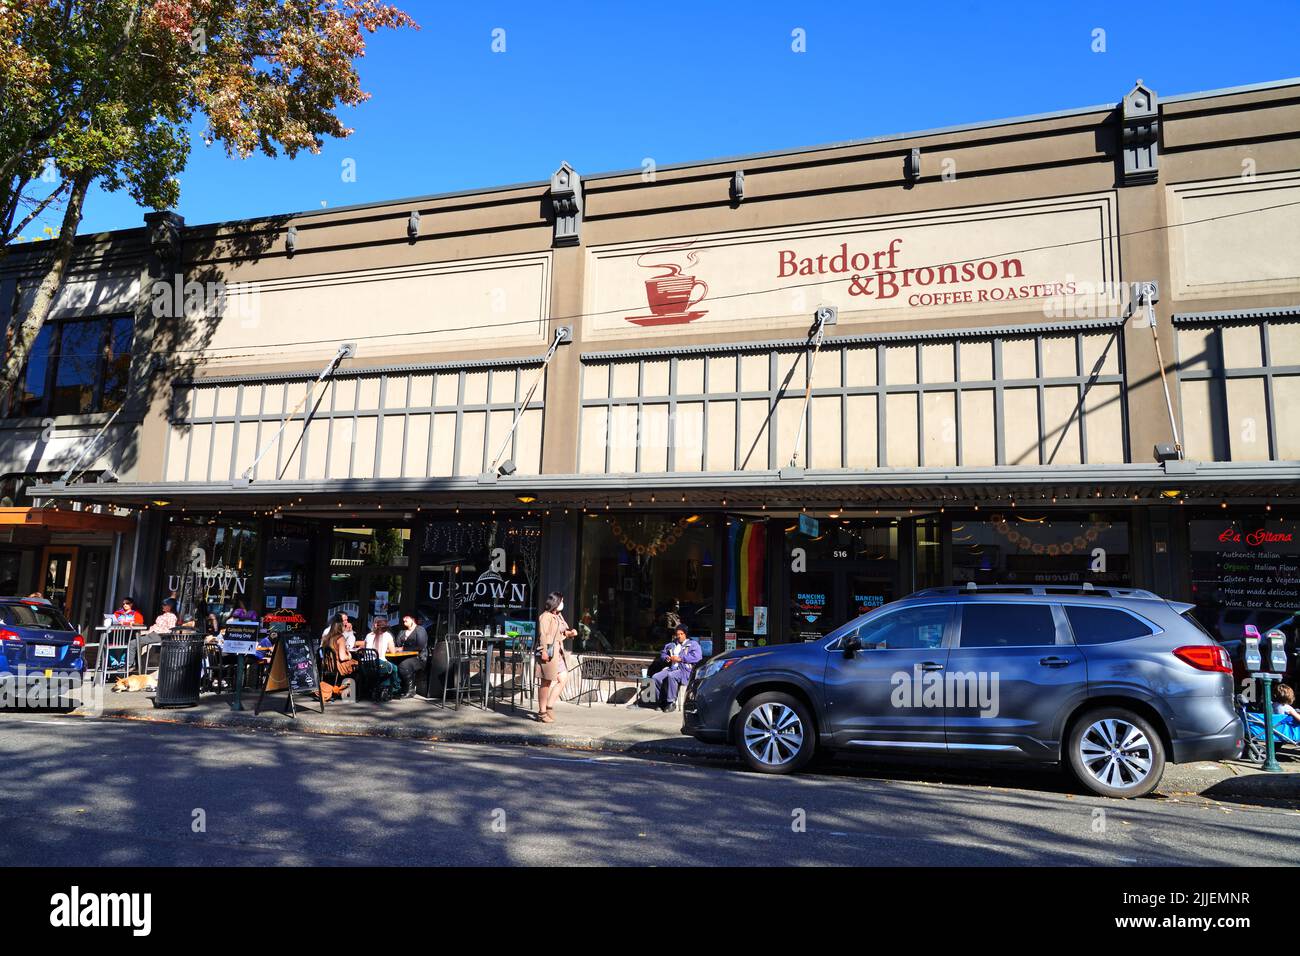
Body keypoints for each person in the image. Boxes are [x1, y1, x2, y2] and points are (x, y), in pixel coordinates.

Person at [535, 591, 576, 723]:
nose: (563, 604)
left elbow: (561, 632)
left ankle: (549, 706)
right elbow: (543, 635)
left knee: (563, 678)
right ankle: (541, 713)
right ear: (556, 603)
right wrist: (543, 651)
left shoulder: (558, 615)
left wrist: (570, 633)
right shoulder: (545, 617)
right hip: (549, 653)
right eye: (562, 601)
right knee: (545, 682)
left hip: (558, 653)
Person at [651, 624, 702, 712]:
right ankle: (661, 701)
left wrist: (680, 659)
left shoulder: (693, 644)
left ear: (685, 634)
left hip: (685, 670)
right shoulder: (672, 644)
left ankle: (671, 702)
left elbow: (697, 657)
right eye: (678, 634)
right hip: (672, 668)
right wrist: (666, 657)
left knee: (672, 675)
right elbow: (663, 653)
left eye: (681, 634)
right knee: (655, 677)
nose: (679, 636)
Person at [394, 611, 429, 699]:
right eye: (403, 618)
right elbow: (397, 644)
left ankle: (410, 690)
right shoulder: (402, 631)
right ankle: (396, 688)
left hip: (419, 657)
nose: (404, 619)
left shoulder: (420, 629)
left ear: (413, 619)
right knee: (393, 663)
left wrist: (403, 649)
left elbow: (420, 646)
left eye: (407, 617)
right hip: (403, 656)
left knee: (404, 665)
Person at [135, 598, 179, 667]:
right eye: (163, 604)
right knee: (135, 642)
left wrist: (160, 634)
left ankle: (130, 665)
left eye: (164, 605)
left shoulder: (171, 616)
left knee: (133, 643)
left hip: (158, 635)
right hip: (152, 634)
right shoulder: (164, 615)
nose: (163, 606)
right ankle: (136, 663)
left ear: (170, 606)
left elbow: (171, 629)